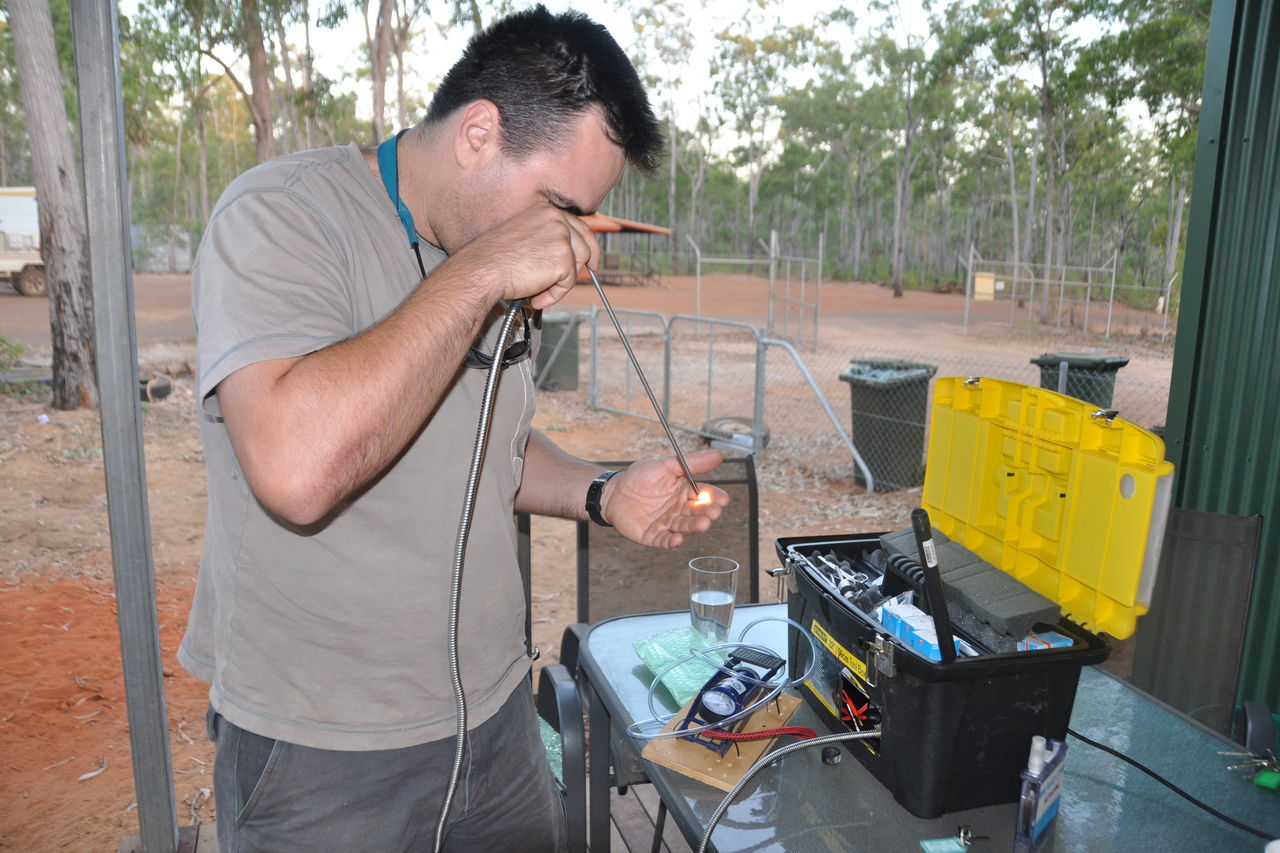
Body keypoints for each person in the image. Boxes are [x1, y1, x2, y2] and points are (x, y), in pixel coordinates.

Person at [178, 6, 728, 852]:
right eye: (560, 207)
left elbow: (485, 447)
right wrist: (482, 274)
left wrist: (601, 491)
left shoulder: (492, 255)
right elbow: (296, 469)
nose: (570, 241)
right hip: (323, 751)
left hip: (495, 717)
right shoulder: (283, 216)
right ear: (478, 132)